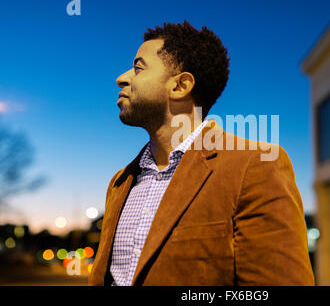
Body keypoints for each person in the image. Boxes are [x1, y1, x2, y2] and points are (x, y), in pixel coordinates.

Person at [88, 21, 314, 286]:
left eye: (138, 68)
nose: (122, 77)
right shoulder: (120, 182)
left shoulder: (256, 165)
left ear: (180, 86)